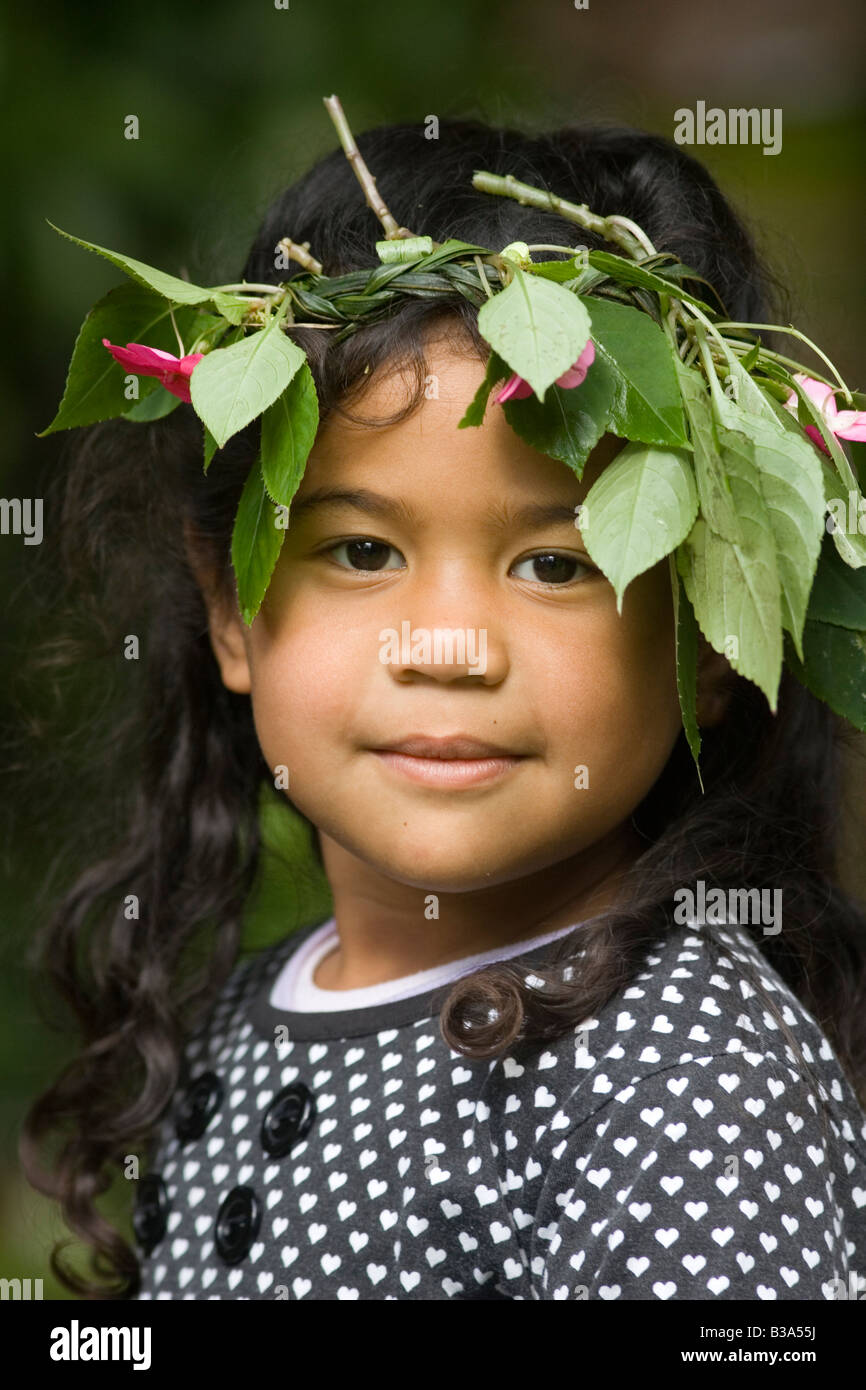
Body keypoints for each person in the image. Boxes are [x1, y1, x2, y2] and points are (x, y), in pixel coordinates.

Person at [17, 113, 866, 1301]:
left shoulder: (685, 1073)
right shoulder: (235, 1018)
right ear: (229, 611)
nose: (448, 648)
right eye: (362, 552)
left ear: (711, 634)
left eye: (556, 564)